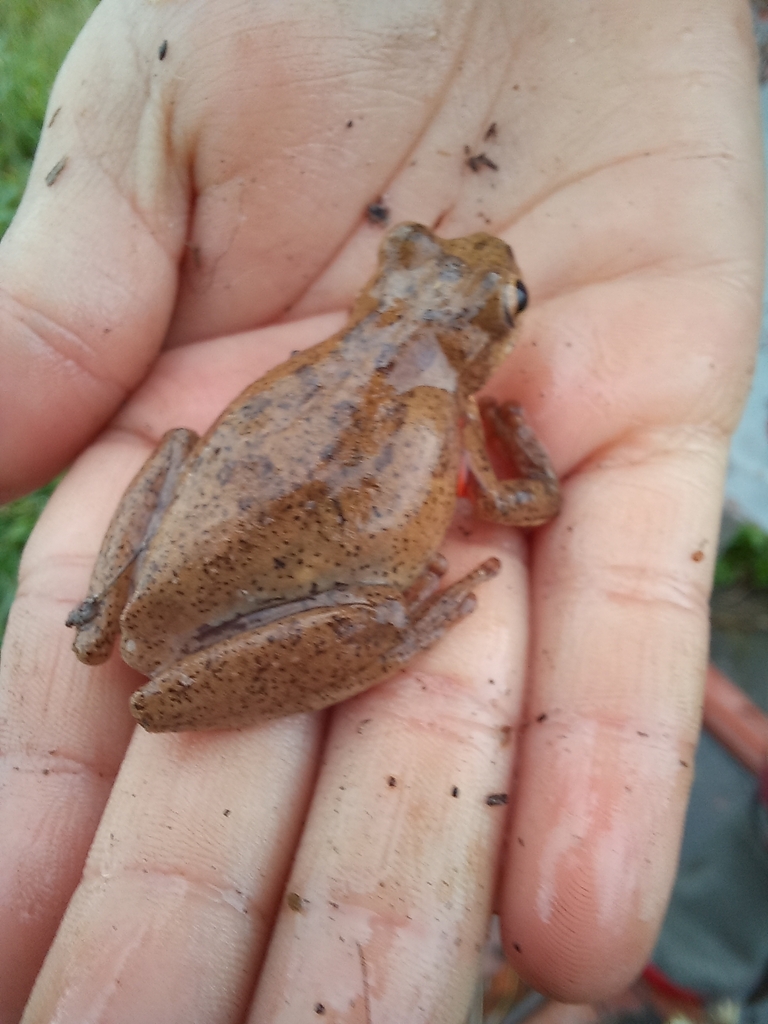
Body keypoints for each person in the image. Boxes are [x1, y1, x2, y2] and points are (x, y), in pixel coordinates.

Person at [0, 1, 763, 1020]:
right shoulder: (448, 400)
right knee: (384, 598)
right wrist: (510, 430)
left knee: (182, 454)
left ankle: (115, 608)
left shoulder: (375, 360)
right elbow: (529, 499)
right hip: (264, 592)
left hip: (202, 542)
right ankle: (353, 629)